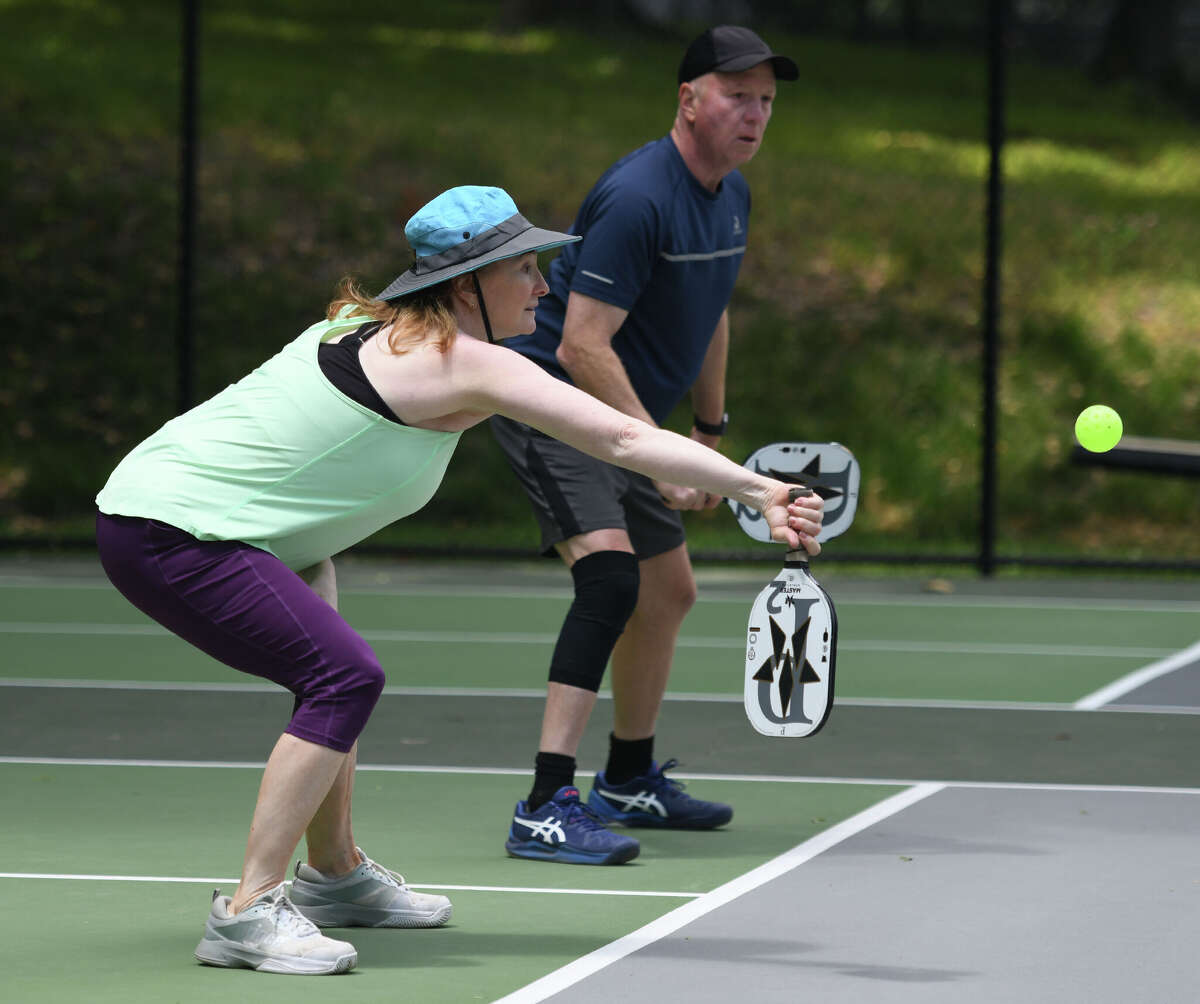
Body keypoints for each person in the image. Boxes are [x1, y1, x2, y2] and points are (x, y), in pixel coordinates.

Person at [94, 184, 824, 975]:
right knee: (343, 678)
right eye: (525, 270)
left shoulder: (370, 327)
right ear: (465, 282)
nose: (545, 287)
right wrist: (760, 489)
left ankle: (333, 875)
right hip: (170, 532)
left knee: (332, 662)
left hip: (232, 528)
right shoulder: (461, 364)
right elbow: (618, 435)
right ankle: (246, 912)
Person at [489, 26, 799, 865]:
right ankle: (546, 803)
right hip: (553, 406)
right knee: (611, 580)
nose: (755, 114)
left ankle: (625, 779)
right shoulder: (638, 196)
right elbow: (579, 345)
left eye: (767, 100)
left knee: (670, 593)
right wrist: (656, 453)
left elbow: (710, 311)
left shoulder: (730, 193)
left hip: (631, 419)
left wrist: (707, 430)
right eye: (738, 95)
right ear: (688, 99)